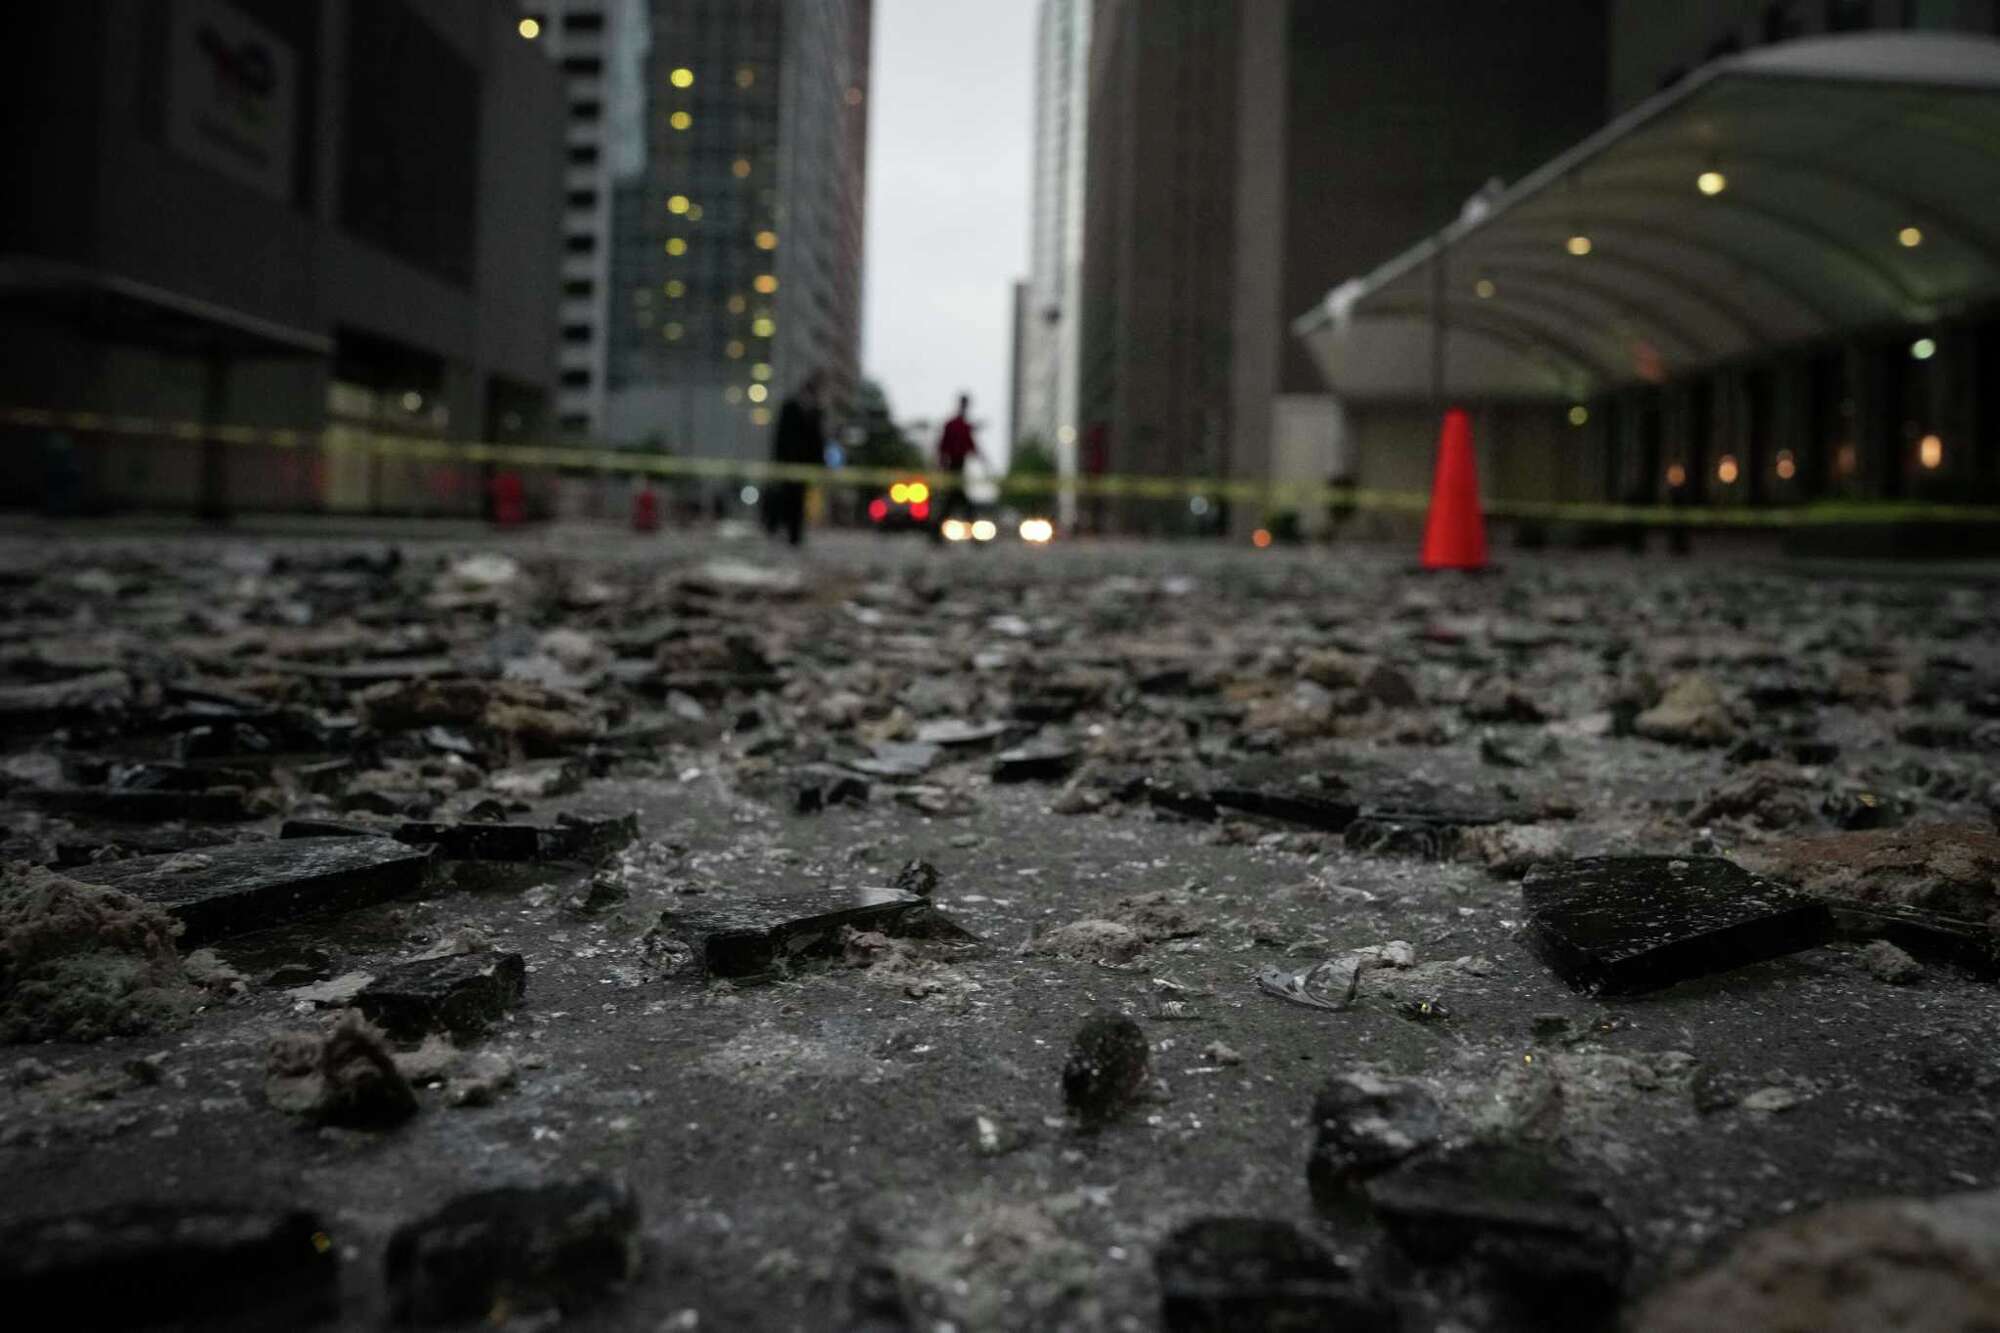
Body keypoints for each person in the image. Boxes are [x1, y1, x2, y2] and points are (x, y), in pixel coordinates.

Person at [765, 370, 825, 546]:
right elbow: (781, 437)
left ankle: (794, 535)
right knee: (782, 497)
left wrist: (818, 465)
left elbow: (817, 441)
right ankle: (775, 528)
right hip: (787, 464)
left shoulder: (816, 412)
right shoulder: (790, 407)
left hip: (803, 467)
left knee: (797, 500)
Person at [933, 394, 982, 534]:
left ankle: (935, 534)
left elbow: (971, 446)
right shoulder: (954, 425)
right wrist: (941, 465)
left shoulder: (963, 425)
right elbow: (944, 446)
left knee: (952, 502)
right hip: (954, 466)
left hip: (958, 467)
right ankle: (935, 533)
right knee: (958, 503)